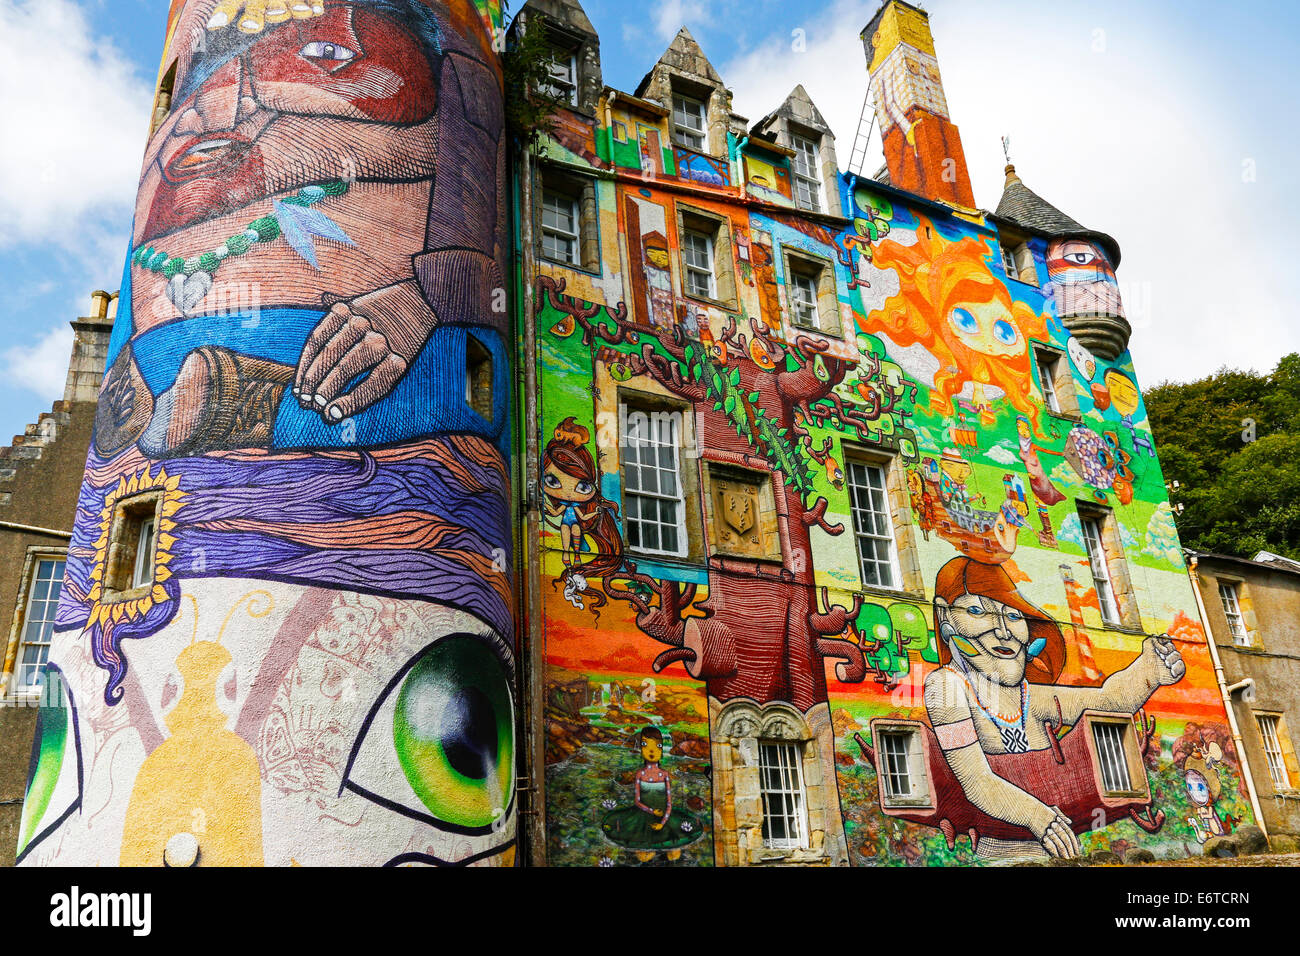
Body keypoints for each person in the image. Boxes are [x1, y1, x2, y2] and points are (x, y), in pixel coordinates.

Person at [923, 556, 1185, 860]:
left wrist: (1148, 673)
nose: (1003, 632)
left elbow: (1105, 702)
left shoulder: (1030, 697)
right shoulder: (945, 687)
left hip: (1054, 852)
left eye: (1012, 616)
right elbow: (975, 780)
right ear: (945, 617)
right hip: (999, 855)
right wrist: (1039, 817)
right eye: (978, 611)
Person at [541, 418, 623, 612]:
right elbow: (555, 511)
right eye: (552, 481)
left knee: (575, 536)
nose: (569, 493)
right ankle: (568, 559)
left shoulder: (578, 506)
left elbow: (583, 517)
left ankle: (576, 559)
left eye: (583, 486)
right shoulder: (564, 504)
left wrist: (595, 512)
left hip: (575, 521)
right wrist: (545, 506)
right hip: (566, 521)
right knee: (566, 538)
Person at [600, 727, 700, 863]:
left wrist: (663, 822)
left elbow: (669, 803)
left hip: (664, 817)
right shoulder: (640, 774)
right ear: (641, 749)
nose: (651, 751)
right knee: (644, 854)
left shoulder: (664, 775)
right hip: (642, 816)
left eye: (657, 746)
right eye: (645, 745)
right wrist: (652, 811)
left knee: (674, 852)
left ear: (661, 749)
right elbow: (637, 801)